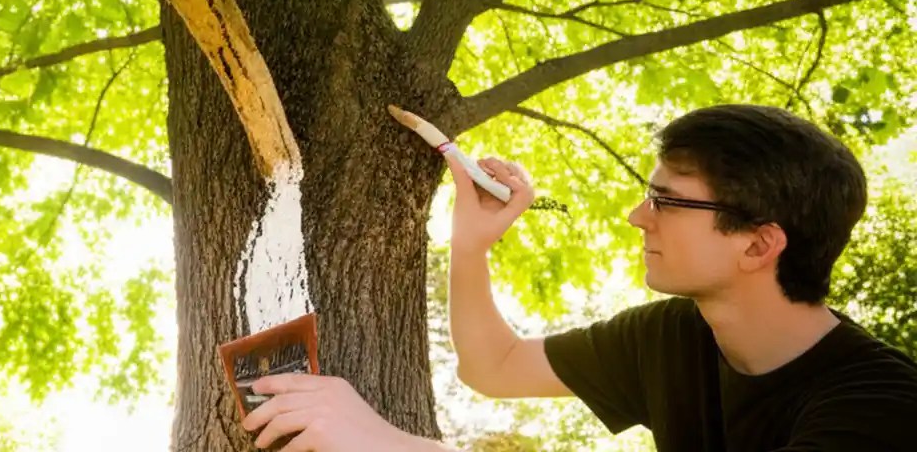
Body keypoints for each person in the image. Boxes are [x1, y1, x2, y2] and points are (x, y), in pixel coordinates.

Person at [242, 104, 917, 450]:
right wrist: (470, 242)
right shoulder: (672, 336)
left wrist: (390, 445)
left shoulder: (882, 405)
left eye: (668, 202)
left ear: (759, 243)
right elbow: (495, 366)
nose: (637, 216)